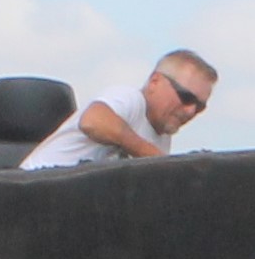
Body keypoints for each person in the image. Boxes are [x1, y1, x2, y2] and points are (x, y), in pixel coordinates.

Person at [22, 50, 218, 171]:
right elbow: (93, 121)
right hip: (32, 189)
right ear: (155, 82)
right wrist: (154, 158)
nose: (191, 111)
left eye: (199, 107)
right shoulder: (129, 100)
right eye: (185, 97)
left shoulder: (162, 139)